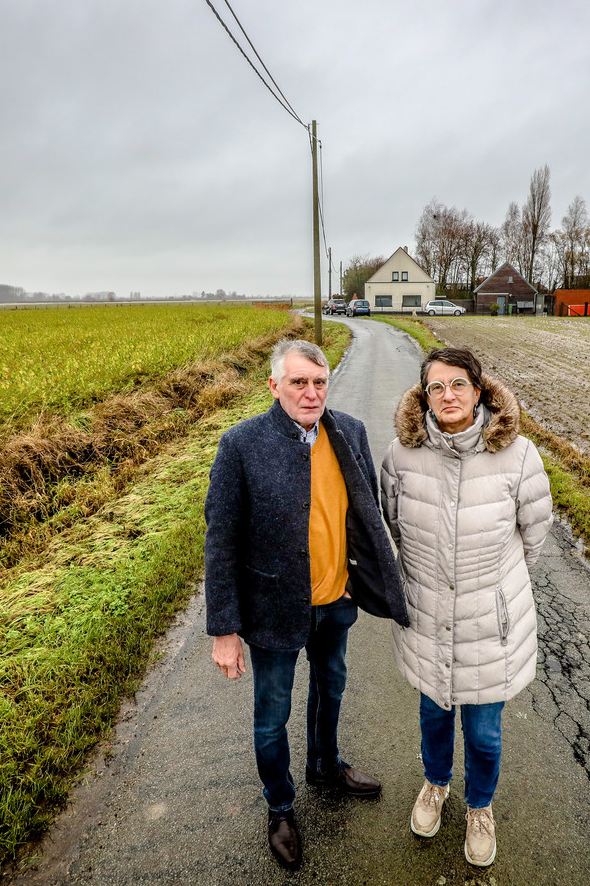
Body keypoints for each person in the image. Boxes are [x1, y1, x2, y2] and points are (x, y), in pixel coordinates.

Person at [204, 338, 410, 870]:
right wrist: (225, 629)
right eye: (299, 382)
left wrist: (358, 582)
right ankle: (280, 808)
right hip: (272, 608)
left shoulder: (349, 432)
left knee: (332, 687)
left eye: (319, 382)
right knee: (272, 715)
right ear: (275, 386)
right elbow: (221, 540)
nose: (311, 392)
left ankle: (325, 765)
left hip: (336, 601)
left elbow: (362, 515)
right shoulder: (241, 445)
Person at [380, 346, 552, 867]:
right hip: (428, 615)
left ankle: (480, 806)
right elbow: (390, 523)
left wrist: (496, 589)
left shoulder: (519, 456)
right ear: (424, 396)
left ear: (479, 391)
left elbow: (535, 533)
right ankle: (435, 785)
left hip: (488, 624)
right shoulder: (400, 455)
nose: (448, 395)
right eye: (436, 387)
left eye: (458, 384)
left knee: (483, 731)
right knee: (433, 714)